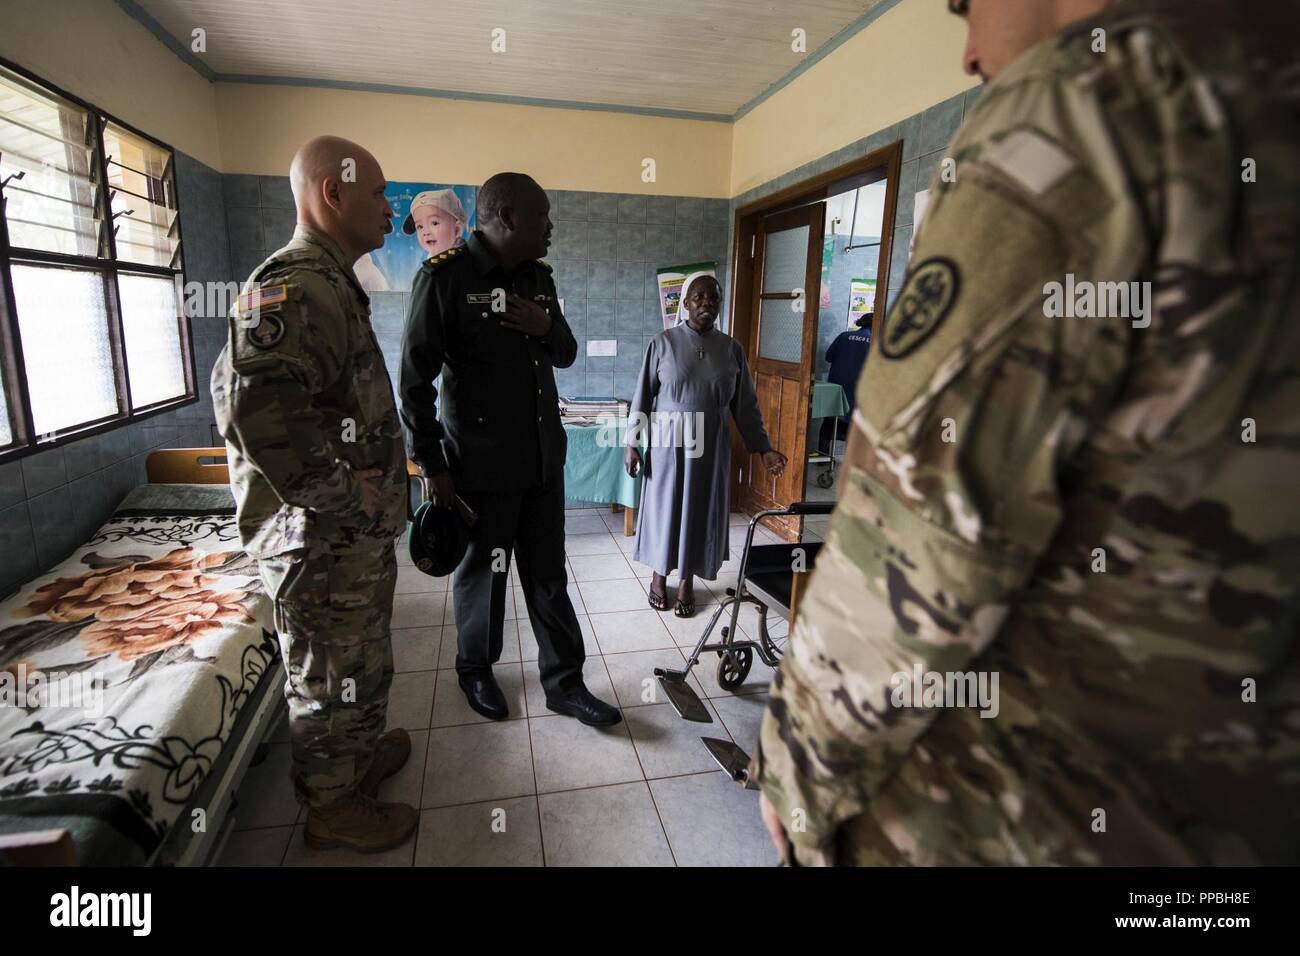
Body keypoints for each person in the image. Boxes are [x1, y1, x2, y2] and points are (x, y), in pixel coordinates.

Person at [755, 0, 1300, 866]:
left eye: (966, 7)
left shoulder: (1091, 101)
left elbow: (917, 538)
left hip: (1023, 815)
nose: (969, 54)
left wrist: (798, 765)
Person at [211, 135, 415, 853]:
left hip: (346, 538)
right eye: (379, 195)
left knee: (359, 659)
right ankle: (333, 809)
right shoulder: (295, 286)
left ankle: (356, 762)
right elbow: (253, 410)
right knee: (328, 672)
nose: (390, 211)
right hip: (319, 540)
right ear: (333, 193)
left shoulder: (328, 281)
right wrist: (344, 491)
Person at [400, 172, 621, 726]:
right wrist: (432, 464)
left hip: (542, 462)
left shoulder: (537, 278)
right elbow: (414, 384)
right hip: (479, 467)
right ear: (507, 217)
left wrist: (545, 325)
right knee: (484, 576)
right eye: (542, 214)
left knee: (549, 576)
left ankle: (565, 684)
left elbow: (565, 352)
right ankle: (475, 669)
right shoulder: (445, 278)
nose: (551, 226)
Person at [624, 273, 787, 617]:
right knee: (665, 509)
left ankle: (686, 580)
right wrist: (632, 443)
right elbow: (643, 395)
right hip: (668, 445)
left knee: (699, 510)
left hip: (710, 447)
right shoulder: (662, 343)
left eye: (713, 297)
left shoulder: (731, 349)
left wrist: (764, 448)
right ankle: (658, 576)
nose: (706, 303)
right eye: (698, 297)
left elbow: (745, 405)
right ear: (685, 303)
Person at [818, 311, 872, 454]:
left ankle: (822, 455)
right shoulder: (874, 342)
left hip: (836, 388)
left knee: (830, 421)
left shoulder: (844, 336)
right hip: (857, 390)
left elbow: (828, 357)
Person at [403, 188, 468, 258]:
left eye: (435, 223)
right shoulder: (431, 257)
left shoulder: (463, 258)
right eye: (420, 226)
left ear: (457, 230)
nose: (426, 232)